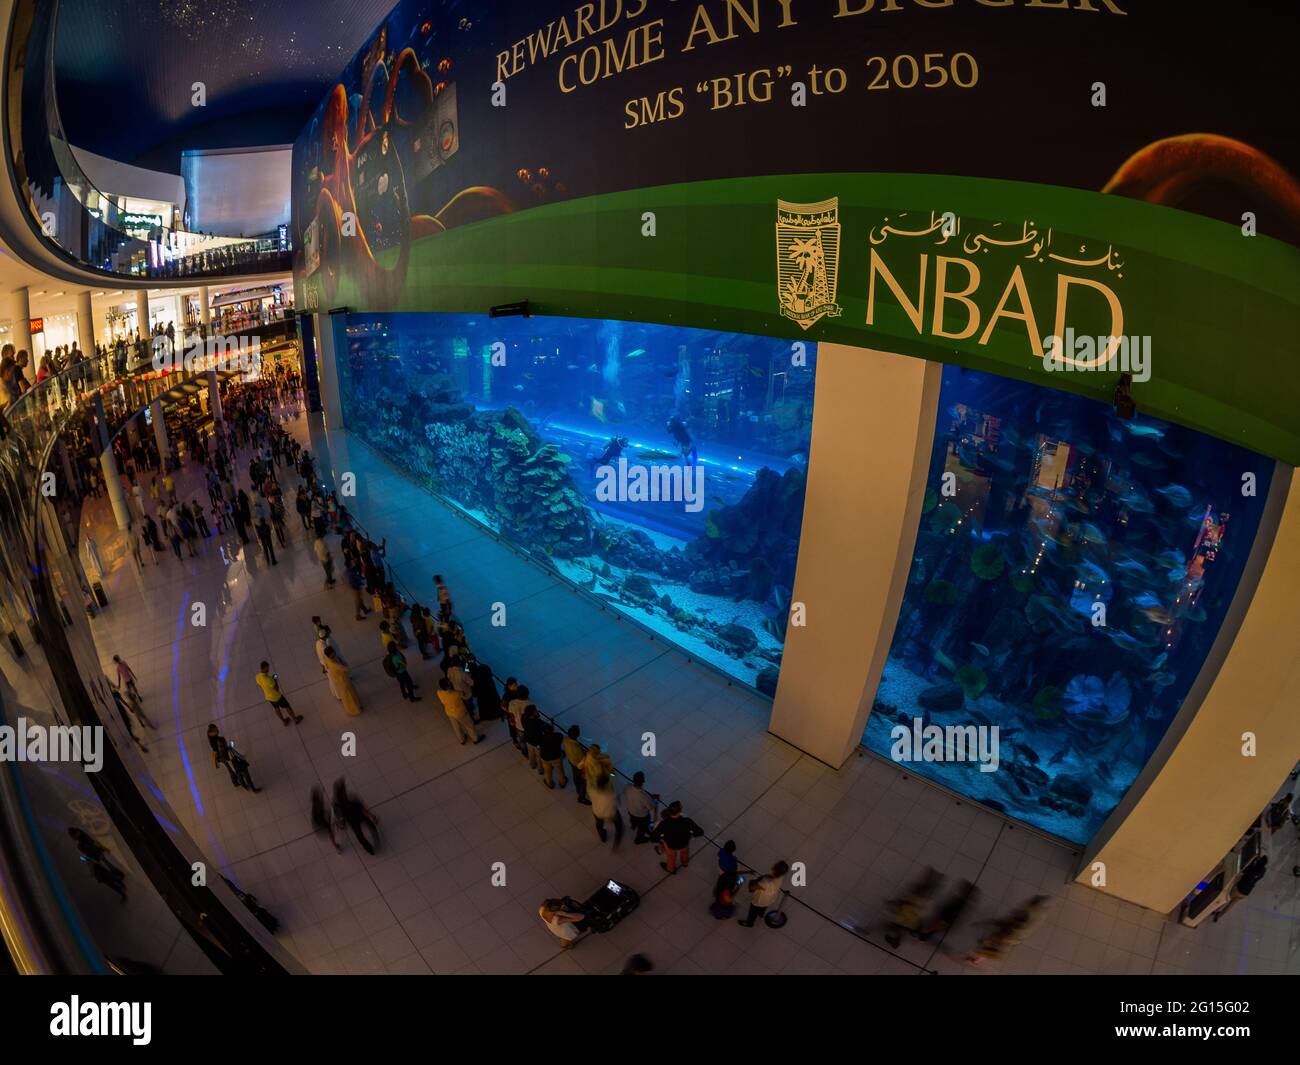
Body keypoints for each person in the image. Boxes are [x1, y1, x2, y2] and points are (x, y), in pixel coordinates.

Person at [650, 800, 704, 873]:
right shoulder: (687, 821)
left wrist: (661, 840)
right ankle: (685, 863)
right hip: (684, 844)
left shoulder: (663, 824)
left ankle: (671, 869)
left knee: (671, 857)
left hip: (670, 845)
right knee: (685, 853)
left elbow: (654, 837)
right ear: (679, 811)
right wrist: (690, 834)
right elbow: (699, 832)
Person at [1213, 855, 1268, 923]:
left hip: (1239, 888)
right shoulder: (1263, 871)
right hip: (1246, 893)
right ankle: (1218, 916)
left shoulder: (1253, 869)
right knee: (1231, 904)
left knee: (1226, 898)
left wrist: (1254, 861)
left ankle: (1215, 909)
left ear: (1260, 861)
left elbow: (1245, 871)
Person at [333, 779, 380, 856]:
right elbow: (340, 816)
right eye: (343, 791)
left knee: (370, 826)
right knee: (360, 836)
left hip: (359, 815)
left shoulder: (350, 799)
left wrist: (371, 815)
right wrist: (341, 822)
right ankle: (370, 849)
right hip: (353, 820)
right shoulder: (338, 805)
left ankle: (374, 844)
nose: (345, 793)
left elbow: (361, 807)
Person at [738, 861, 790, 928]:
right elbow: (771, 878)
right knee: (763, 907)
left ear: (774, 868)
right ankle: (760, 914)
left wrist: (756, 879)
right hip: (770, 898)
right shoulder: (781, 876)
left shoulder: (766, 881)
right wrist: (766, 876)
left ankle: (749, 923)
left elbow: (751, 887)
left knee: (753, 912)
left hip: (759, 900)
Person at [437, 677, 481, 745]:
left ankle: (462, 740)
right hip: (460, 713)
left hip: (449, 713)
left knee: (456, 727)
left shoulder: (439, 693)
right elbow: (466, 697)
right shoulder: (457, 693)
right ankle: (475, 739)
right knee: (469, 725)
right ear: (448, 686)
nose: (450, 682)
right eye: (449, 682)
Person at [256, 661, 302, 726]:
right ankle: (295, 719)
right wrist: (275, 680)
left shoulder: (257, 677)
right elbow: (276, 689)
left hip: (268, 697)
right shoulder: (269, 679)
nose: (268, 669)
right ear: (265, 668)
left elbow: (260, 685)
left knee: (276, 709)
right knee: (287, 706)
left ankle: (284, 721)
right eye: (268, 668)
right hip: (277, 697)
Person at [324, 647, 363, 717]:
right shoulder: (335, 665)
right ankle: (355, 710)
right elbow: (347, 668)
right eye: (333, 653)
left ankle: (352, 708)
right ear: (330, 655)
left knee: (346, 696)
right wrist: (342, 662)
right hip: (344, 681)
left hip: (338, 681)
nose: (334, 653)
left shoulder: (328, 660)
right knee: (350, 696)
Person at [589, 772, 623, 847]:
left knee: (599, 824)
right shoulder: (610, 795)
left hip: (596, 812)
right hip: (609, 814)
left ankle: (603, 837)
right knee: (619, 824)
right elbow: (616, 804)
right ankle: (617, 840)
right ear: (606, 784)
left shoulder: (592, 790)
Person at [624, 771, 657, 844]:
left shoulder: (627, 787)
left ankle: (633, 826)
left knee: (633, 820)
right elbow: (651, 807)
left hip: (631, 811)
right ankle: (638, 840)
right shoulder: (644, 797)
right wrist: (654, 800)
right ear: (643, 781)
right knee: (642, 829)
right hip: (642, 817)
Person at [564, 725, 591, 805]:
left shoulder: (565, 739)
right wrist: (587, 754)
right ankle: (581, 797)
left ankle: (578, 790)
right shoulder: (576, 747)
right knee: (583, 781)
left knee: (576, 777)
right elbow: (582, 760)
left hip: (571, 762)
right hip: (578, 766)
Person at [538, 724, 567, 789]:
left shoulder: (541, 738)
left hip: (545, 757)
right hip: (556, 757)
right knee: (560, 770)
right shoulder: (557, 736)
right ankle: (562, 782)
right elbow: (561, 738)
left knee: (547, 771)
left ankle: (549, 783)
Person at [311, 786, 340, 851]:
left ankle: (335, 844)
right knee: (330, 830)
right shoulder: (317, 806)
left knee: (332, 819)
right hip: (321, 822)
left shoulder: (317, 804)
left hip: (321, 819)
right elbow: (320, 815)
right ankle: (336, 846)